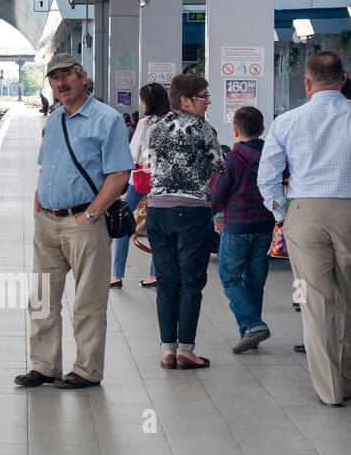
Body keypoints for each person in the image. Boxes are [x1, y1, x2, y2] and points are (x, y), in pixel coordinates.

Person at [15, 53, 132, 389]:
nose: (60, 83)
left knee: (88, 301)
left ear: (82, 78)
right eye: (54, 78)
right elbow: (45, 166)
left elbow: (120, 173)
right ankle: (44, 365)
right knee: (41, 298)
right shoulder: (54, 120)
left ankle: (86, 370)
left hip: (85, 222)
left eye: (66, 75)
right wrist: (38, 208)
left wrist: (92, 213)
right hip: (47, 222)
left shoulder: (107, 119)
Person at [258, 51, 351, 407]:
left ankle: (329, 391)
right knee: (347, 300)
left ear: (307, 84)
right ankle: (347, 376)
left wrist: (282, 215)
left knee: (316, 302)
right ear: (343, 80)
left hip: (304, 214)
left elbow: (267, 178)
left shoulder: (287, 122)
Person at [145, 73, 226, 370]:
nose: (207, 102)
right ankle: (186, 350)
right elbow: (219, 164)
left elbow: (150, 163)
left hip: (158, 210)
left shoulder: (157, 128)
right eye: (202, 97)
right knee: (191, 282)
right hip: (192, 211)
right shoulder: (203, 128)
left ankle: (167, 350)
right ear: (184, 99)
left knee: (167, 281)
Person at [209, 106, 276, 353]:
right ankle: (250, 331)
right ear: (262, 129)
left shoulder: (229, 160)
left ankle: (253, 325)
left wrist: (212, 215)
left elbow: (215, 195)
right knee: (255, 280)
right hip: (265, 226)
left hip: (236, 226)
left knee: (230, 277)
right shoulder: (272, 156)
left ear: (235, 130)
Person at [112, 83, 169, 288]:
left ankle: (116, 275)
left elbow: (132, 153)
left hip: (142, 182)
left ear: (148, 102)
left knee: (124, 225)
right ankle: (154, 274)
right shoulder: (172, 122)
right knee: (157, 229)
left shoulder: (145, 124)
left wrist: (122, 182)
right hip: (164, 184)